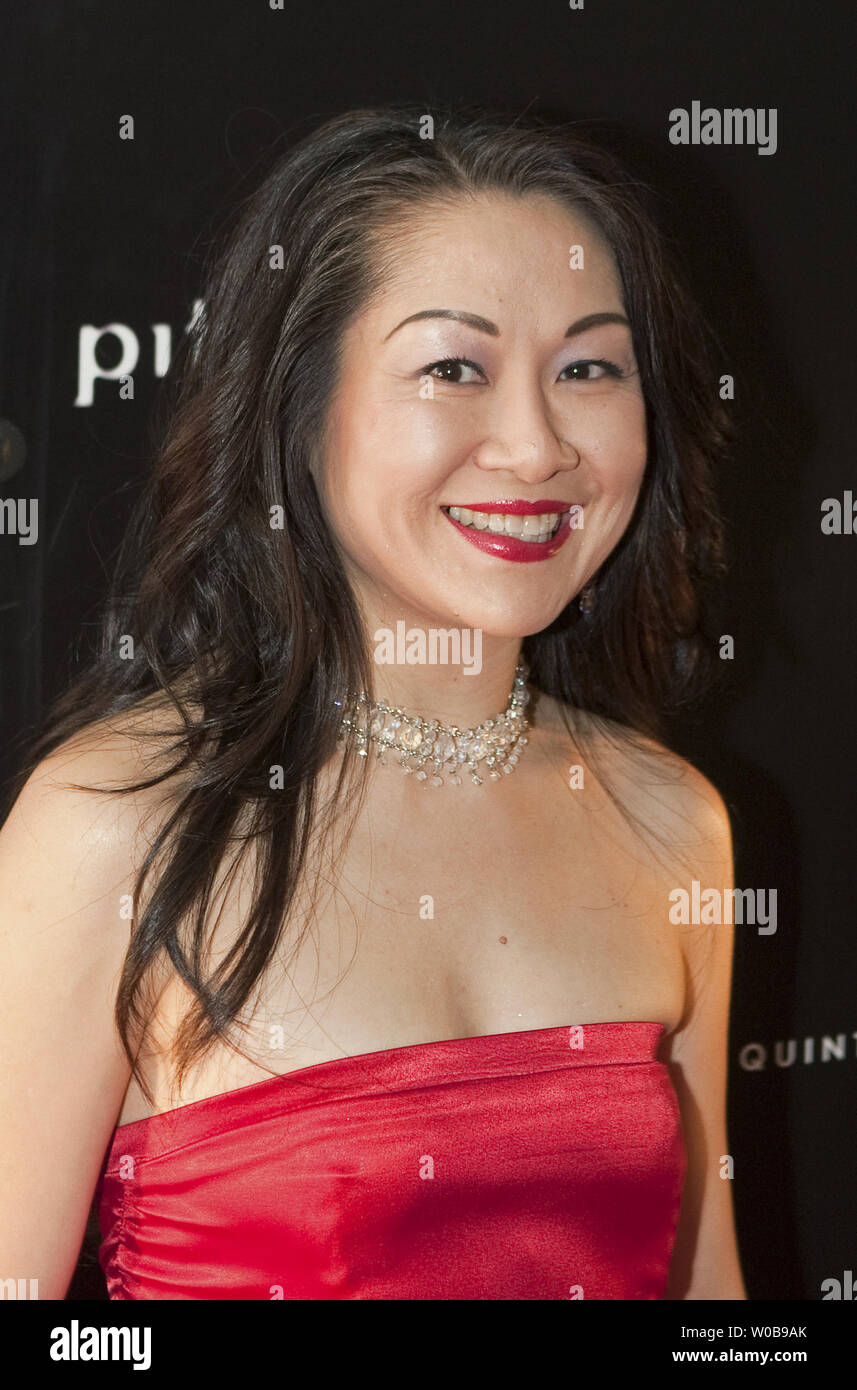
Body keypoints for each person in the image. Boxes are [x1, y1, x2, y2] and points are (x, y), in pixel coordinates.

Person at [0, 104, 747, 1300]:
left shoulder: (668, 822)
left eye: (589, 368)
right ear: (304, 412)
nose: (534, 444)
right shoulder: (113, 826)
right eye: (453, 367)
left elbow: (709, 1297)